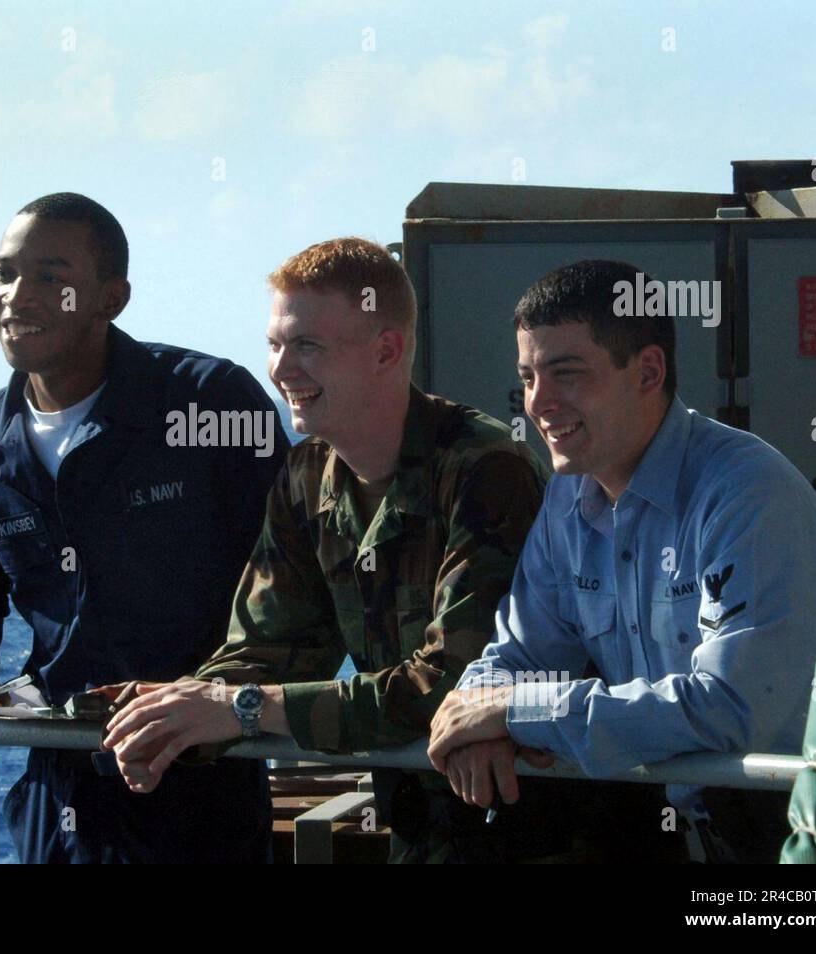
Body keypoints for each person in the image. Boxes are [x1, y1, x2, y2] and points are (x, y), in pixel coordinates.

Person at [102, 237, 560, 862]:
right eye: (275, 345)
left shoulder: (484, 469)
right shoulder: (306, 476)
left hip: (547, 822)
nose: (282, 369)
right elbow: (269, 648)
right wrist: (176, 703)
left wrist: (236, 707)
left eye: (307, 346)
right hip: (425, 826)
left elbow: (454, 684)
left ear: (387, 350)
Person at [427, 259, 816, 863]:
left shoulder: (745, 492)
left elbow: (731, 708)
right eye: (527, 377)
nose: (537, 402)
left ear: (648, 371)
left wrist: (515, 713)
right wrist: (479, 719)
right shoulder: (567, 500)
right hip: (709, 825)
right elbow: (515, 658)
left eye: (565, 373)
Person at [0, 192, 289, 863]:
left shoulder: (212, 405)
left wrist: (230, 698)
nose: (16, 296)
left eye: (51, 278)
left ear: (111, 299)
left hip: (200, 787)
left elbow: (297, 577)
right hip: (59, 790)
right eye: (3, 274)